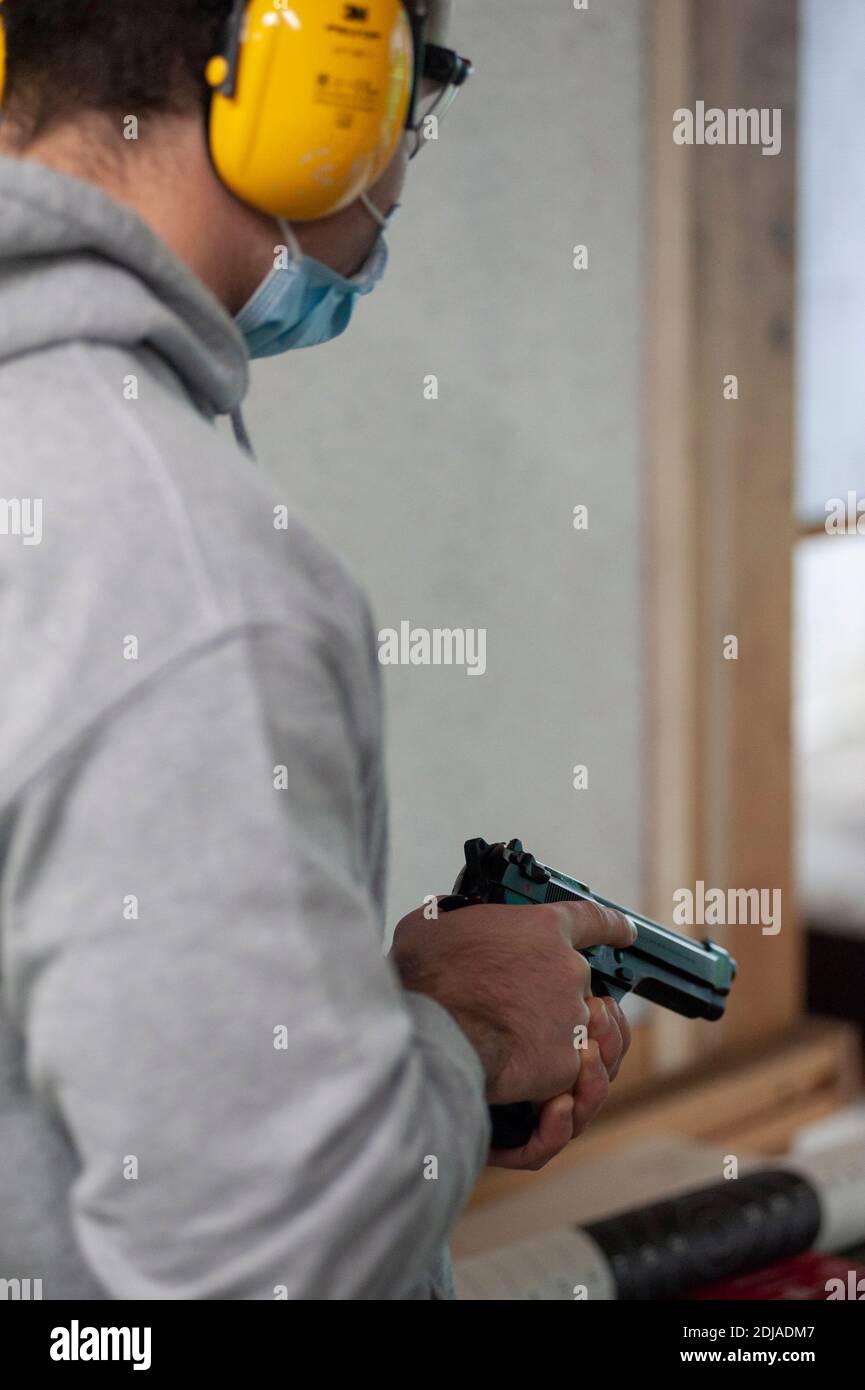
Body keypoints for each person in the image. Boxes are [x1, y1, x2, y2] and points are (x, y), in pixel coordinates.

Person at [0, 0, 632, 1300]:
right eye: (422, 83)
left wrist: (344, 1033)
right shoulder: (174, 564)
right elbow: (279, 1262)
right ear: (317, 86)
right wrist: (465, 1039)